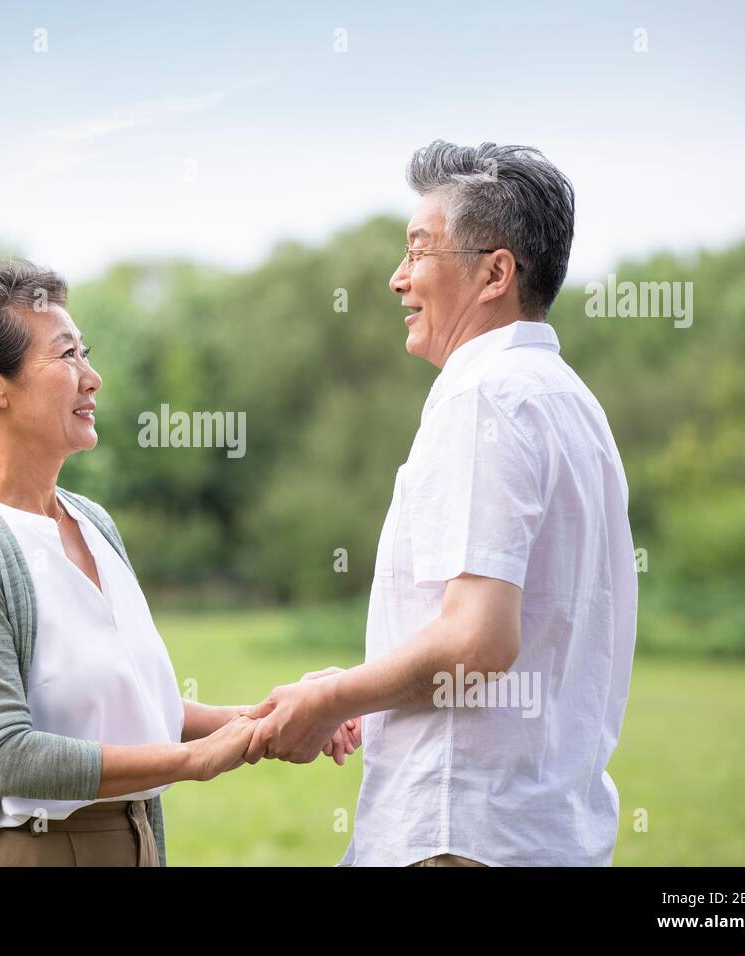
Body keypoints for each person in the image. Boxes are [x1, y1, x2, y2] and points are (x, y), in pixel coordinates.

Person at [245, 141, 638, 867]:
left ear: (495, 272)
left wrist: (331, 702)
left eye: (419, 251)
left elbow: (478, 641)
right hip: (539, 833)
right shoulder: (571, 402)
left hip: (461, 835)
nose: (397, 279)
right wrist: (353, 687)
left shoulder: (486, 395)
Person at [0, 258, 358, 866]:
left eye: (86, 353)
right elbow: (6, 755)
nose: (93, 378)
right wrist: (192, 762)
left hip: (133, 840)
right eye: (66, 357)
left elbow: (137, 704)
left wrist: (272, 718)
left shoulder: (93, 523)